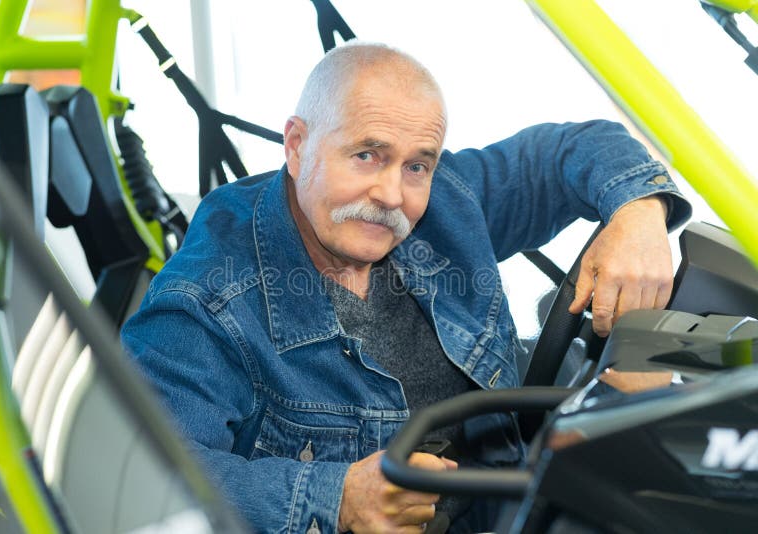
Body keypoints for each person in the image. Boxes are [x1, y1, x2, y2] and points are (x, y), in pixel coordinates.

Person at [121, 41, 691, 533]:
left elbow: (576, 146)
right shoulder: (205, 302)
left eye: (417, 165)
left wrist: (639, 213)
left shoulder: (449, 203)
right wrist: (338, 497)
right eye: (367, 155)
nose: (393, 194)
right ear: (296, 145)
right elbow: (138, 478)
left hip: (510, 506)